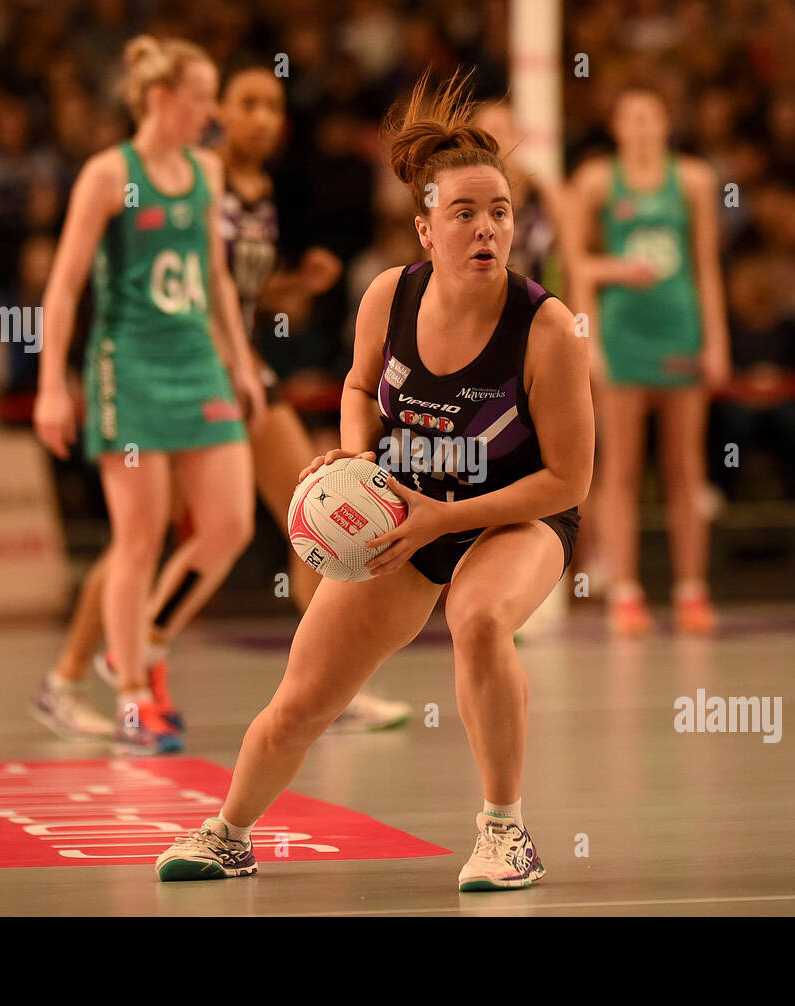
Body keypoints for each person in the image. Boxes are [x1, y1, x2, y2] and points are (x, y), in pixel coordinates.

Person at [155, 71, 594, 890]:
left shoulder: (548, 329)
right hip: (407, 511)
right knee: (303, 697)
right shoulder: (388, 297)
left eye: (498, 212)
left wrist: (441, 518)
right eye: (463, 214)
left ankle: (506, 834)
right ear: (425, 229)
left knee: (480, 618)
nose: (485, 229)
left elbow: (569, 480)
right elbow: (359, 388)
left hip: (518, 514)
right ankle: (229, 833)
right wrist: (360, 458)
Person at [29, 58, 409, 742]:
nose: (257, 118)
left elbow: (227, 290)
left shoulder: (247, 189)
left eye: (273, 105)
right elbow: (82, 282)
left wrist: (289, 293)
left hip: (218, 364)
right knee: (267, 517)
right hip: (153, 365)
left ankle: (110, 659)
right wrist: (52, 381)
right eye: (240, 103)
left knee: (236, 525)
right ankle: (113, 669)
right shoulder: (140, 173)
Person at [32, 35, 265, 755]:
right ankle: (132, 695)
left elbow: (218, 277)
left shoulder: (208, 170)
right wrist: (51, 383)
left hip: (194, 358)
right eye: (202, 98)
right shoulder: (109, 174)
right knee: (137, 536)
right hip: (127, 363)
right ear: (162, 99)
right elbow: (65, 284)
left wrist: (242, 359)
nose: (212, 112)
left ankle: (141, 645)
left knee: (229, 524)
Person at [566, 87, 730, 637]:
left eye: (651, 116)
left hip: (680, 330)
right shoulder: (594, 180)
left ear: (666, 122)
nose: (640, 126)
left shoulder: (693, 180)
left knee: (686, 466)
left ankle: (691, 589)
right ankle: (627, 591)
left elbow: (705, 263)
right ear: (615, 126)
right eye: (630, 116)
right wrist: (589, 340)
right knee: (621, 469)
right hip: (622, 337)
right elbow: (576, 264)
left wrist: (716, 340)